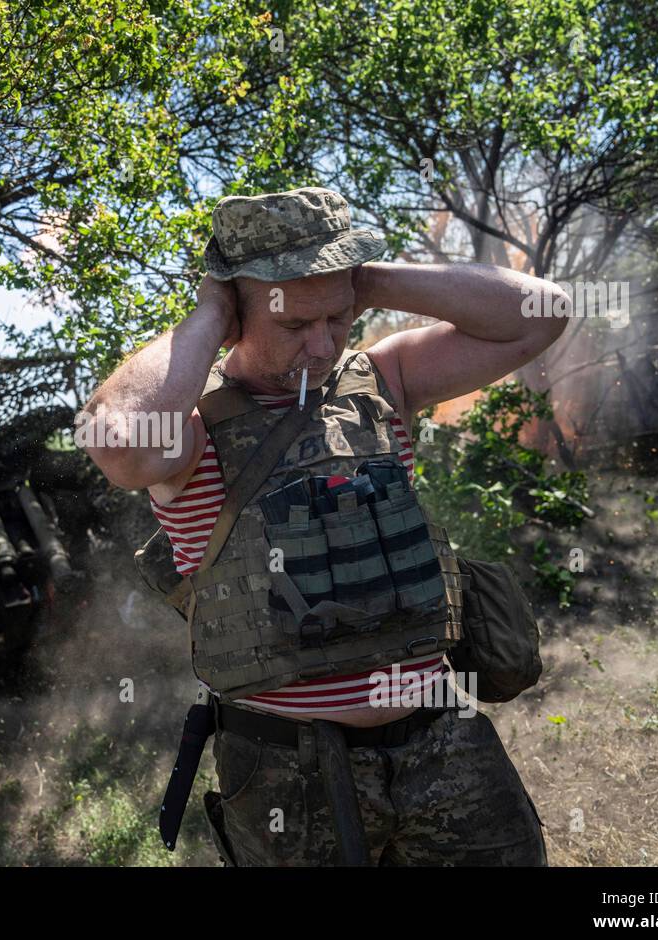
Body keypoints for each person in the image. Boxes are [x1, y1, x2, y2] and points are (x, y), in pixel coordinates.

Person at [83, 186, 567, 866]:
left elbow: (543, 314)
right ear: (235, 316)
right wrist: (209, 308)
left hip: (442, 739)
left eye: (337, 318)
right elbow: (116, 442)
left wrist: (366, 278)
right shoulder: (189, 431)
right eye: (293, 323)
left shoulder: (384, 380)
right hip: (289, 765)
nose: (321, 343)